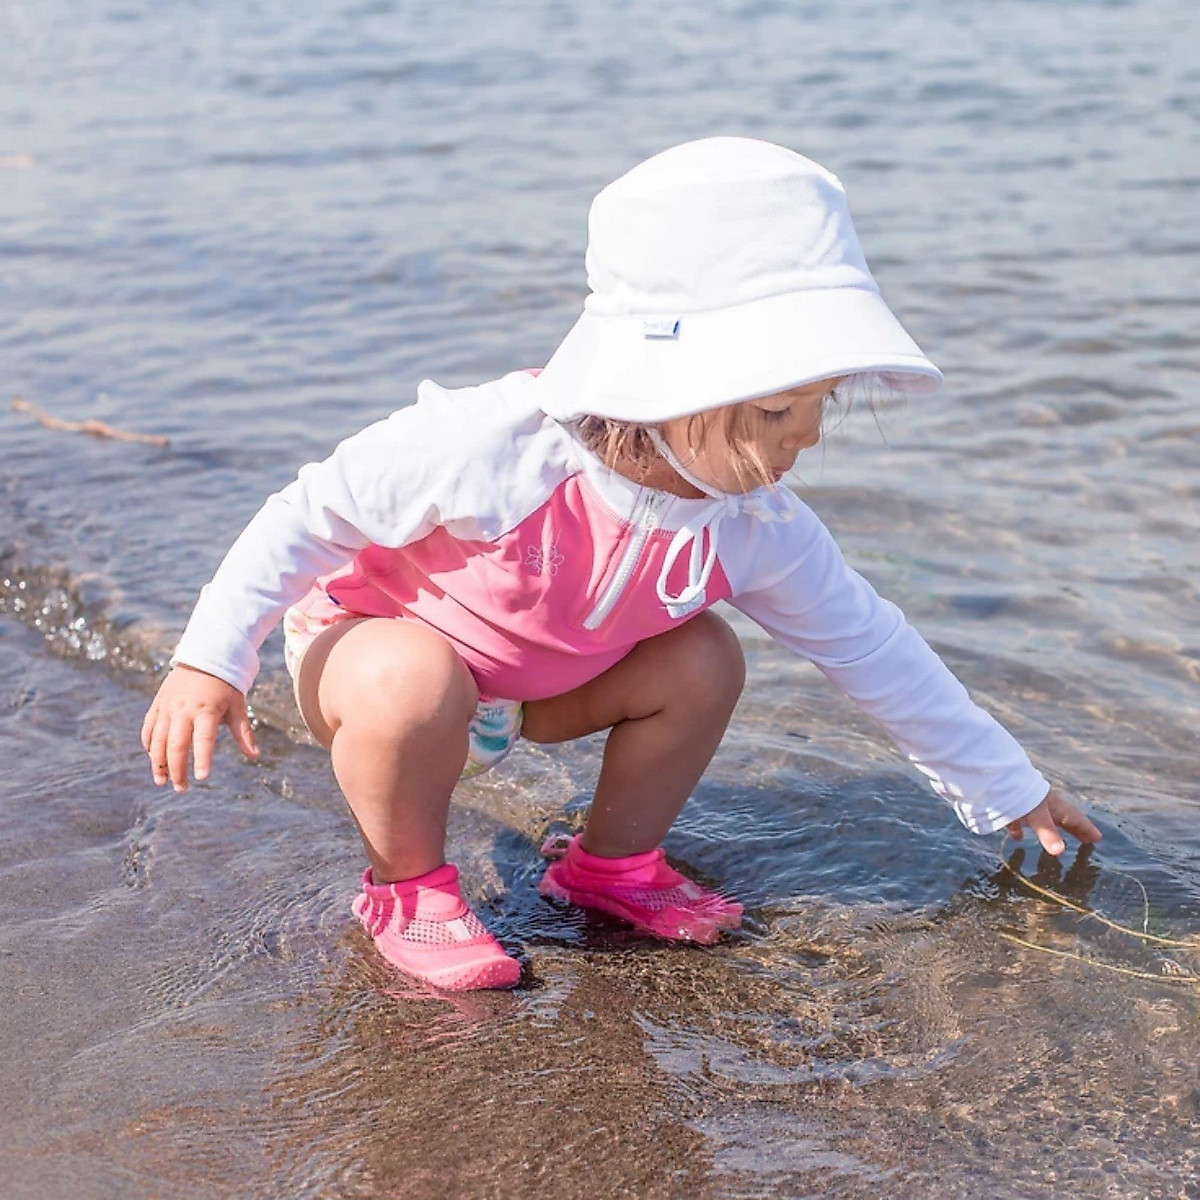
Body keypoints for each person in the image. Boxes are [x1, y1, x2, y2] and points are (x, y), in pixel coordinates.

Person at [141, 137, 1101, 991]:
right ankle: (407, 887)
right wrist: (210, 659)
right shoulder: (496, 445)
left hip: (540, 692)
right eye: (775, 410)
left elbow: (871, 650)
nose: (807, 433)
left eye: (822, 401)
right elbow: (307, 515)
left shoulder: (755, 520)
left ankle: (611, 866)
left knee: (706, 655)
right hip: (372, 662)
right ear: (664, 383)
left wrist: (1005, 784)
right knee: (410, 677)